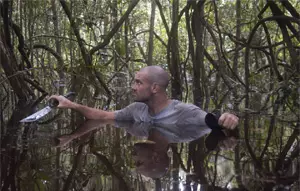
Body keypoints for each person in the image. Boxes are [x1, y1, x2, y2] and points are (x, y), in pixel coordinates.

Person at [50, 65, 239, 129]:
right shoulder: (136, 110)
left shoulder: (185, 111)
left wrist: (228, 118)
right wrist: (71, 105)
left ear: (155, 88)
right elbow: (102, 116)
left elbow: (211, 120)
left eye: (138, 83)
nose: (133, 87)